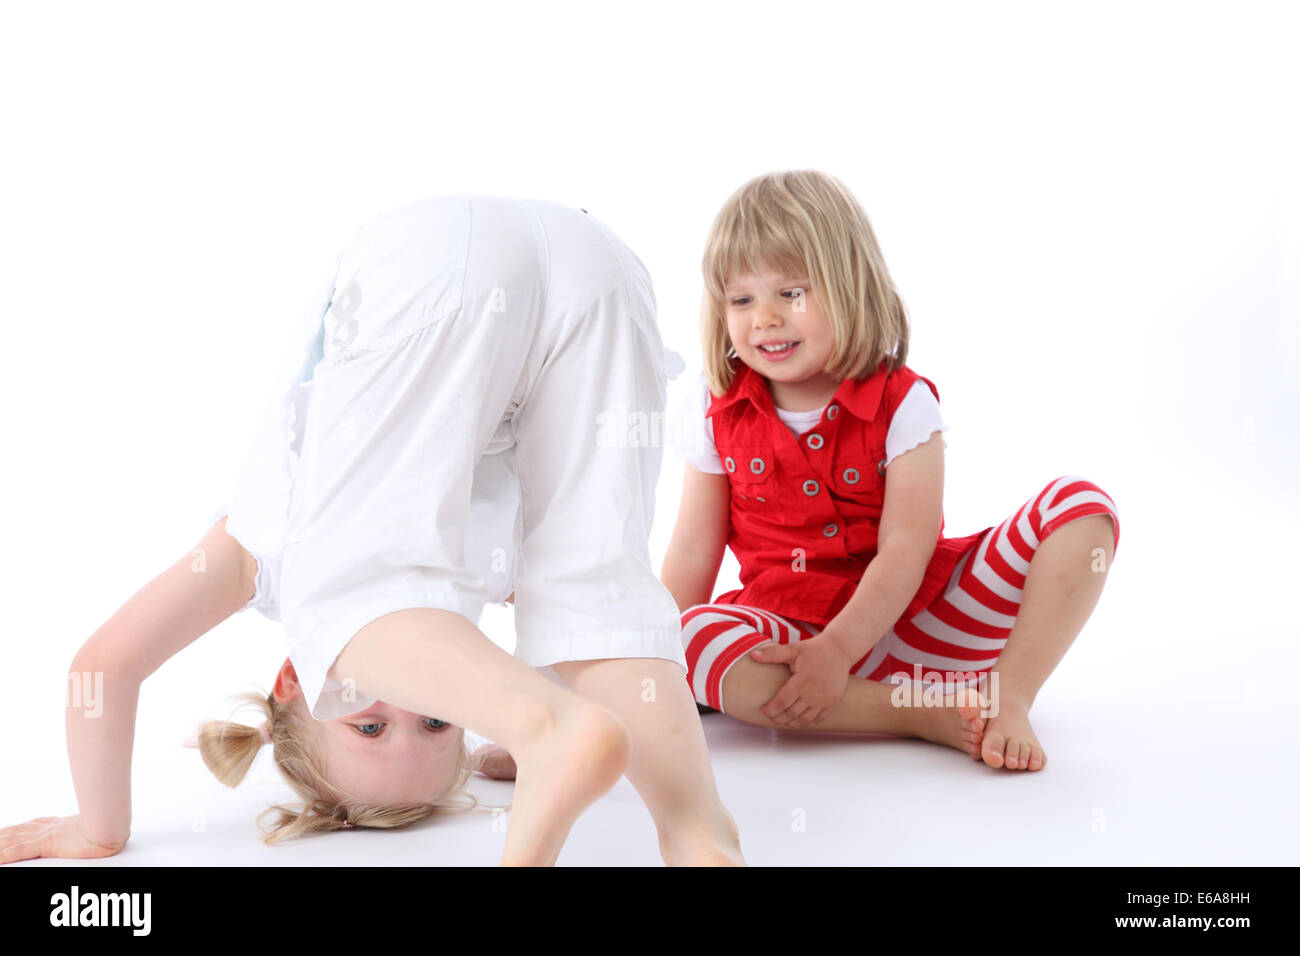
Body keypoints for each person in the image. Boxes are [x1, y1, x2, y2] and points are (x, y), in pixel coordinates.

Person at [0, 194, 743, 867]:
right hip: (595, 268)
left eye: (368, 728)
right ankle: (700, 837)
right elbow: (584, 636)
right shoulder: (483, 574)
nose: (407, 709)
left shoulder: (265, 557)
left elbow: (103, 666)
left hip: (442, 264)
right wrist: (529, 738)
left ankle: (554, 734)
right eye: (437, 722)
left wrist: (98, 828)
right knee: (592, 598)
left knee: (347, 600)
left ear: (293, 680)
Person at [661, 170, 1120, 772]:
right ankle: (913, 713)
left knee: (1080, 508)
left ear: (849, 287)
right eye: (741, 299)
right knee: (690, 640)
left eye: (791, 293)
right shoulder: (713, 405)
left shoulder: (903, 403)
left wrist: (842, 647)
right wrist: (645, 672)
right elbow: (695, 549)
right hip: (789, 634)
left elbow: (907, 548)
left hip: (923, 623)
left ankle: (1006, 698)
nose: (764, 318)